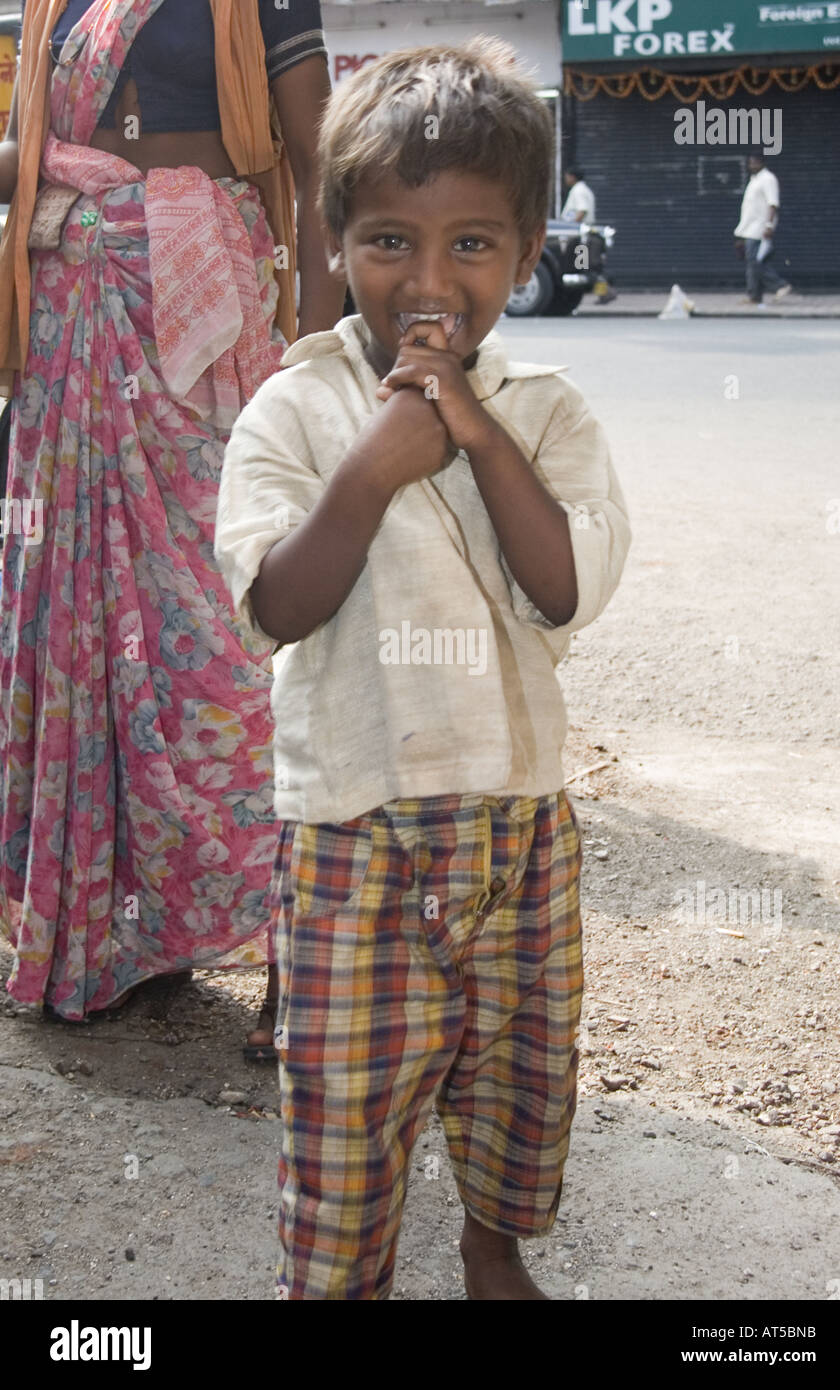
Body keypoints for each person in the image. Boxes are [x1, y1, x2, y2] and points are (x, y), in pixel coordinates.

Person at [215, 39, 631, 1300]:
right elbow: (275, 604)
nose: (429, 280)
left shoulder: (546, 409)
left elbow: (564, 584)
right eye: (390, 240)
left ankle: (490, 1242)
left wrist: (471, 429)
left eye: (471, 244)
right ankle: (345, 1273)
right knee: (346, 1110)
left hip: (518, 826)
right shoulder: (290, 411)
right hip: (351, 833)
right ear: (337, 241)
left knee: (519, 1074)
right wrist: (374, 464)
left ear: (523, 253)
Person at [0, 0, 345, 1024]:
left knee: (212, 626)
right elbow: (40, 148)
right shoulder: (64, 3)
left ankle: (293, 927)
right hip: (69, 310)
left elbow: (321, 168)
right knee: (71, 617)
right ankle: (119, 933)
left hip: (195, 317)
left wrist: (316, 360)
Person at [734, 153, 792, 306]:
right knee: (752, 263)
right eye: (750, 163)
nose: (750, 166)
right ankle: (754, 296)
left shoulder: (768, 179)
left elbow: (772, 203)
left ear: (761, 163)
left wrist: (768, 226)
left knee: (755, 261)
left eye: (754, 163)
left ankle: (781, 285)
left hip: (760, 228)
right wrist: (740, 234)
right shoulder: (754, 180)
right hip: (749, 229)